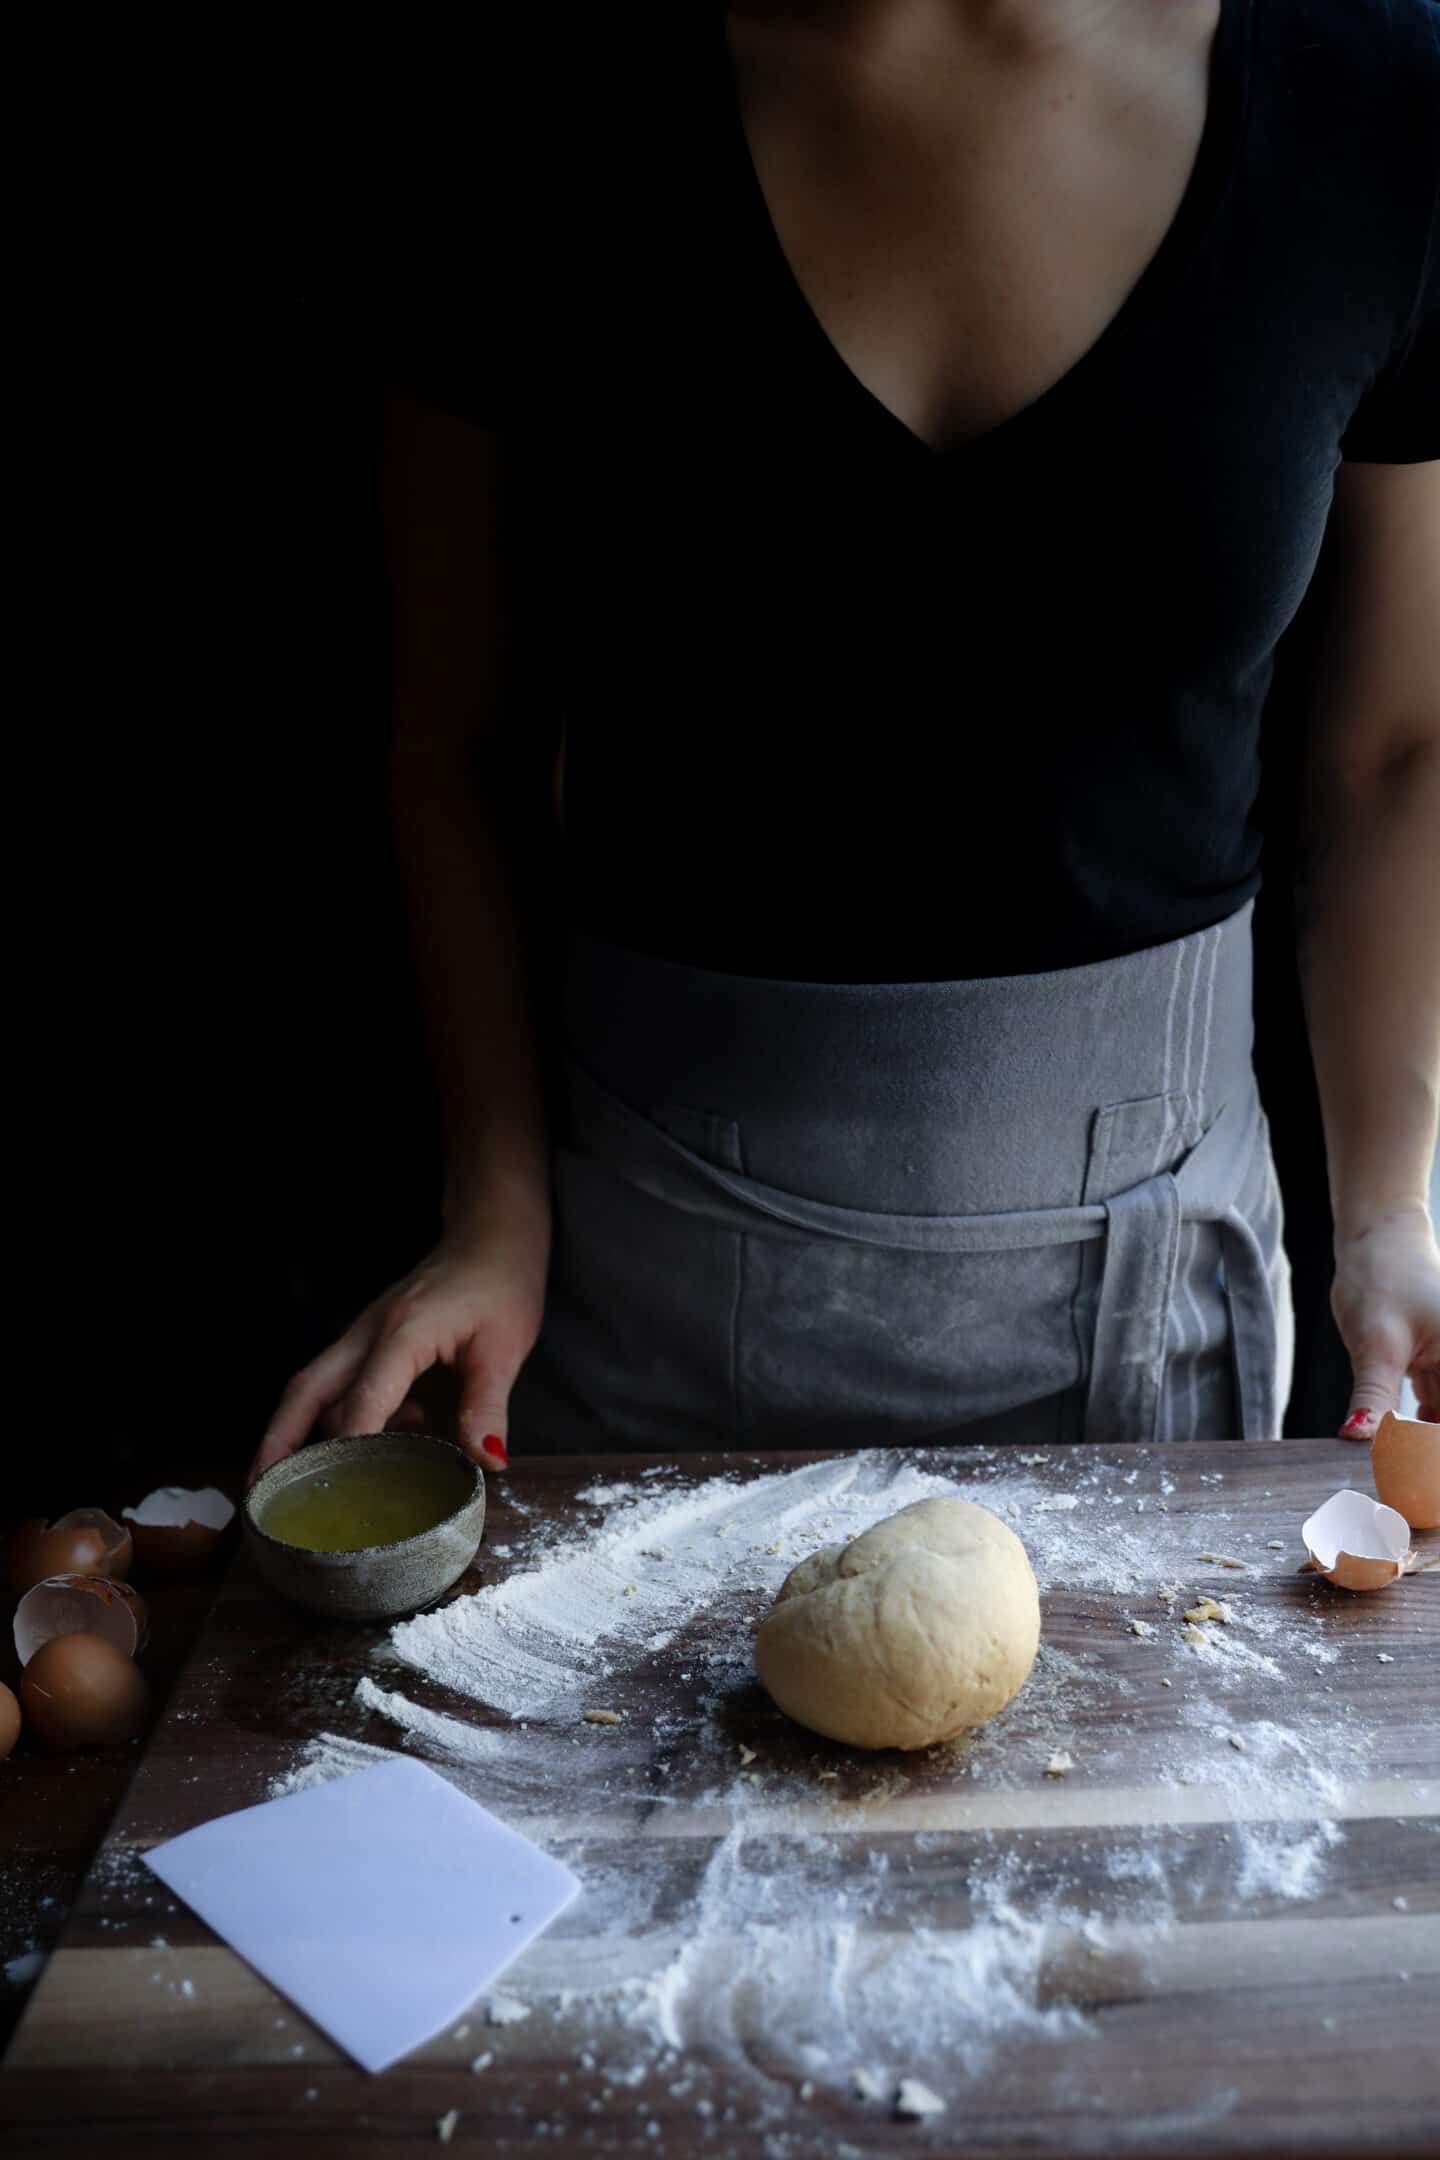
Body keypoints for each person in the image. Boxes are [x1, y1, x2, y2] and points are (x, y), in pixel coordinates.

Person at [247, 0, 1439, 1492]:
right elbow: (455, 745)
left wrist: (1392, 1213)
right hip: (627, 1282)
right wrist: (493, 1209)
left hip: (1164, 1308)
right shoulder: (520, 99)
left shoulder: (1377, 97)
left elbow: (1394, 755)